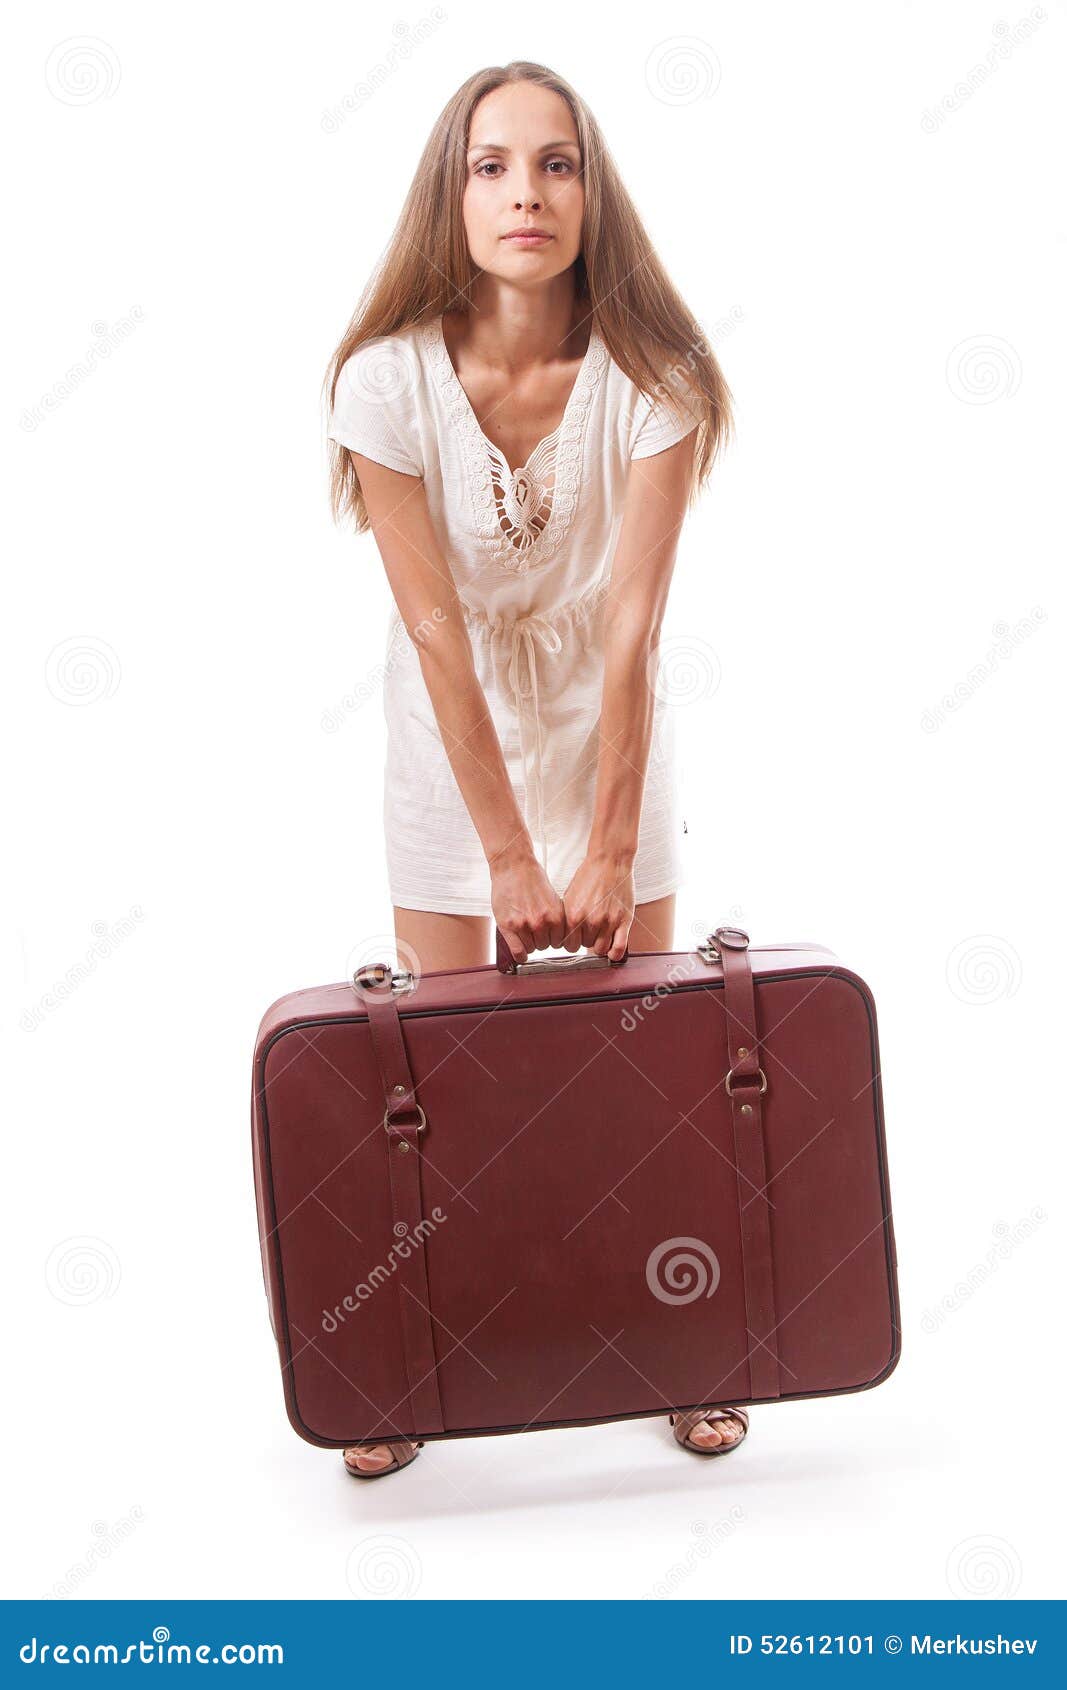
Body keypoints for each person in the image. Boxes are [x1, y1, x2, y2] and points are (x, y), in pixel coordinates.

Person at [325, 59, 748, 1479]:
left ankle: (691, 1348)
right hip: (451, 751)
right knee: (439, 1084)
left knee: (650, 1072)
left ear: (591, 190)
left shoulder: (657, 378)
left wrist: (610, 846)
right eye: (492, 166)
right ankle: (409, 1360)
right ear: (451, 197)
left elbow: (633, 630)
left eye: (556, 164)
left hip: (610, 735)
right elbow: (436, 636)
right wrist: (506, 855)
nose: (527, 194)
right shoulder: (382, 382)